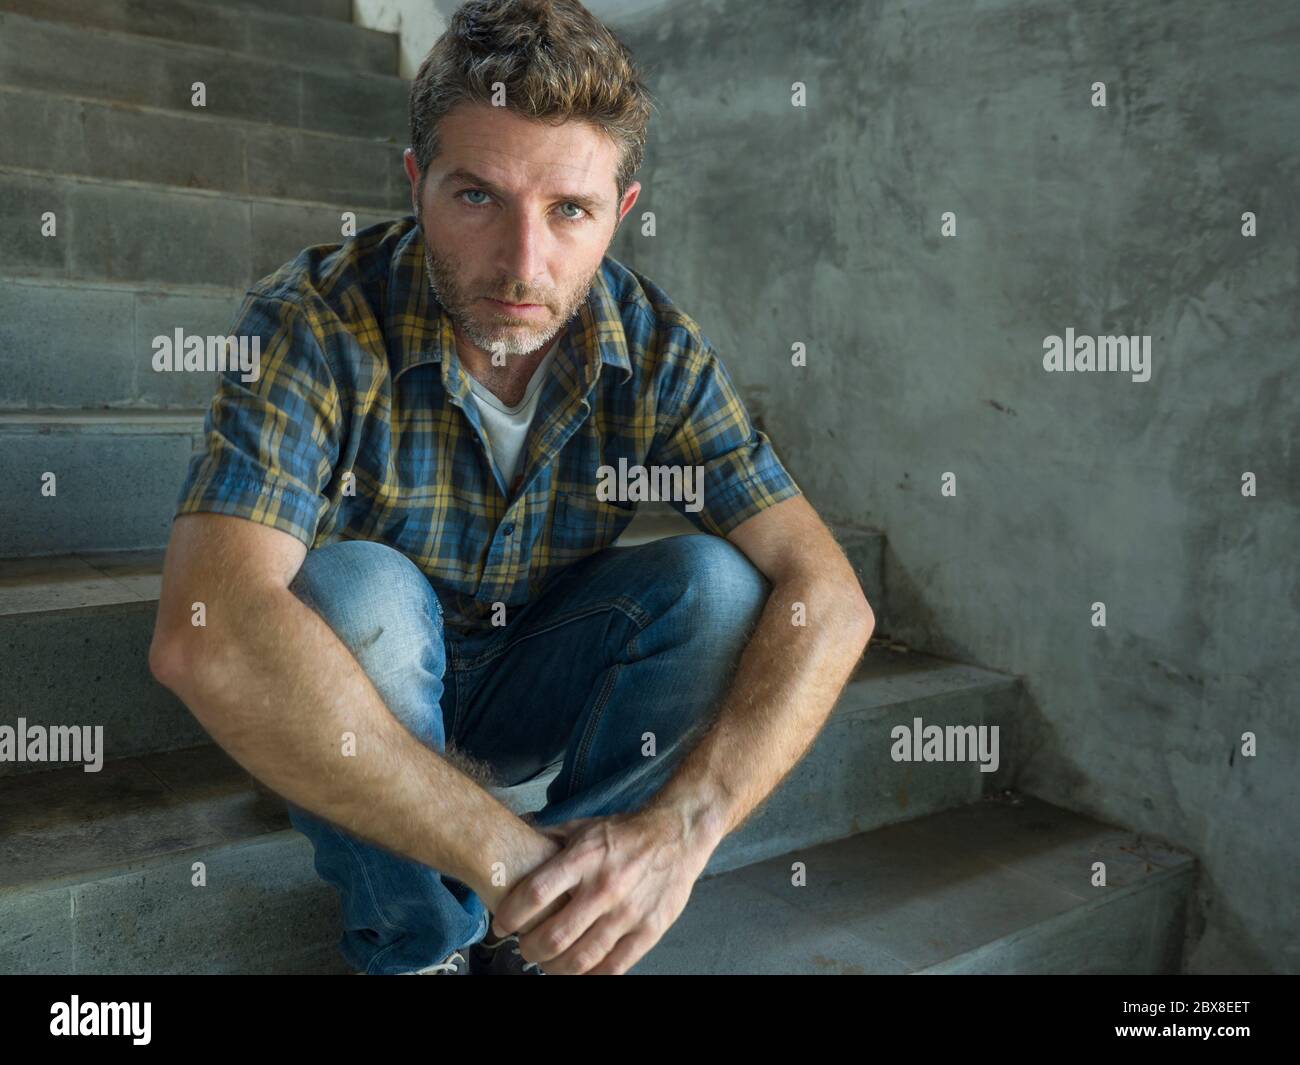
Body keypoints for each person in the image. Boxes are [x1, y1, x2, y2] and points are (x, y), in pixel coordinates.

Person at [148, 0, 873, 976]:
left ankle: (566, 922)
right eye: (477, 197)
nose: (523, 265)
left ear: (619, 211)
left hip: (538, 665)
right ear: (417, 184)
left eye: (568, 210)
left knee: (723, 587)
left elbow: (830, 600)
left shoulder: (655, 347)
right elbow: (208, 630)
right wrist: (507, 860)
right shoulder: (315, 318)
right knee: (359, 592)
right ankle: (423, 943)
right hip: (373, 689)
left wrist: (682, 833)